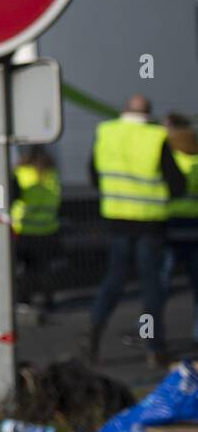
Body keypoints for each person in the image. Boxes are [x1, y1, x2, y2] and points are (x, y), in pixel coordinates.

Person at [84, 95, 187, 368]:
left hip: (117, 219)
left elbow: (93, 174)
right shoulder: (155, 137)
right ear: (149, 114)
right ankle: (155, 348)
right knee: (151, 286)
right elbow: (177, 183)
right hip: (150, 223)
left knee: (114, 281)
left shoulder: (106, 132)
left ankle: (92, 336)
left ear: (124, 111)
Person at [11, 146, 61, 312]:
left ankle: (24, 300)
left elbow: (14, 196)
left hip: (25, 229)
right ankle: (49, 300)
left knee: (25, 268)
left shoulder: (21, 173)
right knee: (44, 268)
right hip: (48, 228)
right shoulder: (52, 174)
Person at [163, 113, 198, 349]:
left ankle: (149, 331)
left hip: (170, 226)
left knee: (160, 283)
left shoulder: (170, 159)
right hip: (194, 228)